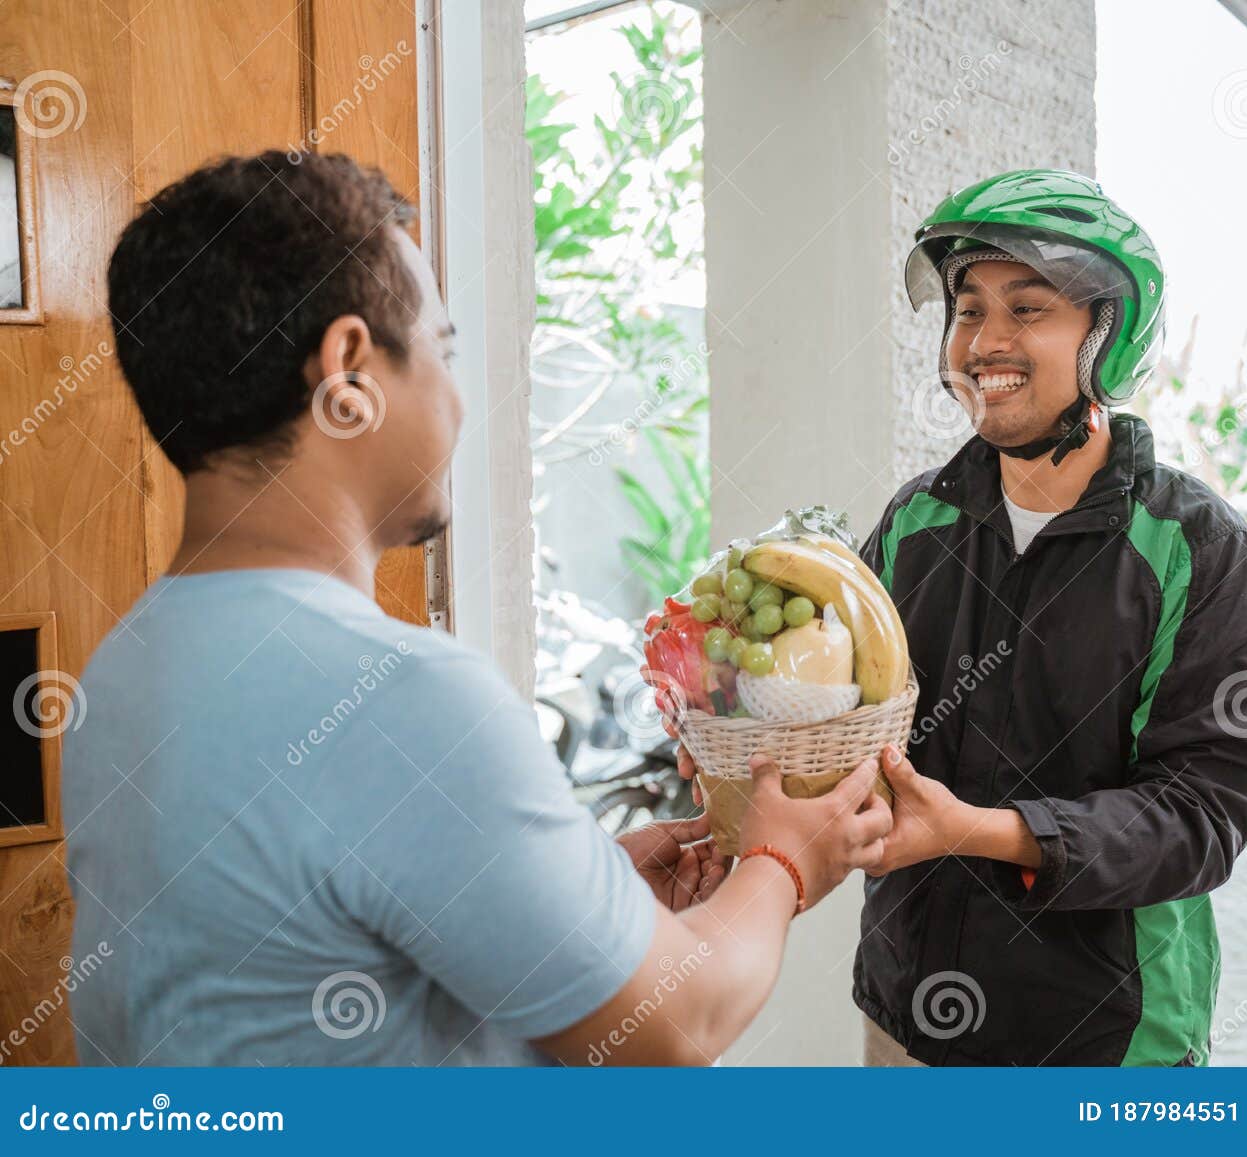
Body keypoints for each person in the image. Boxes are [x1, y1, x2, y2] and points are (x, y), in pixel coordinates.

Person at [64, 150, 890, 1067]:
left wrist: (581, 900)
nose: (457, 399)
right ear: (349, 369)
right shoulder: (393, 692)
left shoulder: (127, 664)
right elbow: (677, 1023)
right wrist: (781, 863)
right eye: (443, 350)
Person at [677, 169, 1247, 1065]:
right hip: (907, 1011)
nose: (985, 341)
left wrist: (974, 829)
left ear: (1106, 337)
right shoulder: (917, 522)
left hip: (1110, 1036)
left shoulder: (1195, 549)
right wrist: (740, 757)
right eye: (969, 309)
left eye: (1029, 309)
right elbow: (854, 726)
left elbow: (1204, 815)